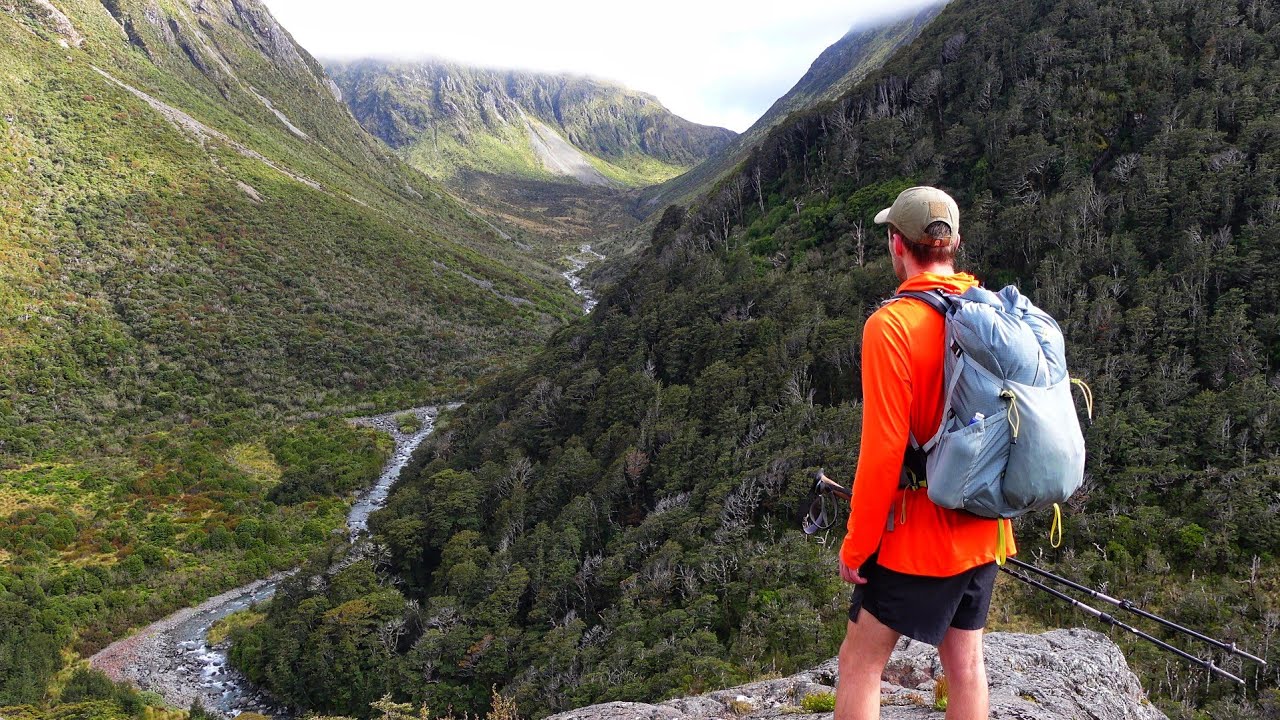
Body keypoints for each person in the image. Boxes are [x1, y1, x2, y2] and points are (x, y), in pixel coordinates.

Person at [835, 187, 1016, 720]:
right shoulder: (987, 309)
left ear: (897, 244)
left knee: (860, 663)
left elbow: (883, 452)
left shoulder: (890, 326)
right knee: (966, 664)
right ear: (954, 243)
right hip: (986, 523)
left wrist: (856, 546)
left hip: (918, 536)